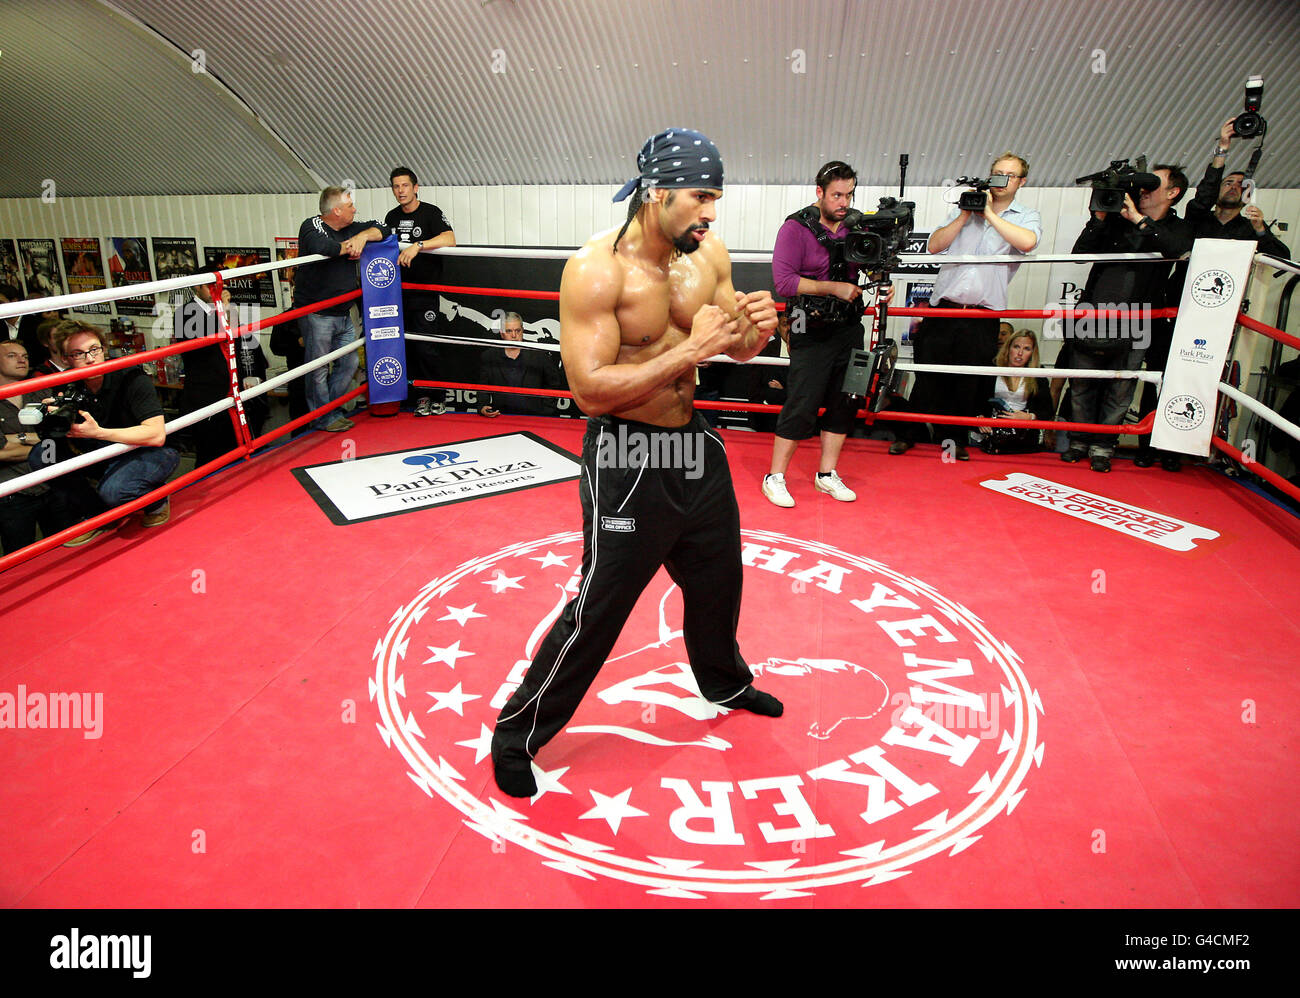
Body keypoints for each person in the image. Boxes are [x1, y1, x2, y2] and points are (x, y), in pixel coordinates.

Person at [491, 128, 782, 799]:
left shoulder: (708, 253)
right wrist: (691, 353)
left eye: (717, 195)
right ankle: (517, 732)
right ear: (657, 193)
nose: (712, 211)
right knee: (601, 606)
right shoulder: (598, 271)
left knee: (718, 580)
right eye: (701, 195)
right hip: (626, 452)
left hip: (694, 444)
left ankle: (725, 681)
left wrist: (756, 333)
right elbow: (588, 389)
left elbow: (732, 348)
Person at [891, 152, 1041, 460]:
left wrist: (989, 216)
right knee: (927, 375)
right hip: (943, 309)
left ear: (1021, 182)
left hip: (982, 315)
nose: (1000, 180)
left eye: (1008, 175)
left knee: (966, 381)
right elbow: (934, 245)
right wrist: (964, 215)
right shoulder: (963, 210)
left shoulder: (1025, 216)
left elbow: (1027, 243)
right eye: (996, 173)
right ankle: (909, 434)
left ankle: (954, 440)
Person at [762, 161, 879, 507]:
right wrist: (833, 288)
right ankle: (775, 476)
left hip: (847, 326)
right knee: (803, 400)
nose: (844, 202)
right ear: (820, 193)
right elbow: (784, 283)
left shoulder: (857, 226)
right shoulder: (795, 228)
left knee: (848, 399)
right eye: (837, 195)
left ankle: (826, 475)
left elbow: (868, 267)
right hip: (806, 324)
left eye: (849, 194)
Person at [1064, 165, 1193, 473]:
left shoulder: (1179, 227)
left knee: (1120, 390)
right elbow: (1080, 253)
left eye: (1152, 183)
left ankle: (1103, 446)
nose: (1144, 188)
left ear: (1173, 193)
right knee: (1081, 385)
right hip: (1093, 312)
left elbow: (1179, 250)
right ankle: (1079, 442)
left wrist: (1139, 219)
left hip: (1139, 318)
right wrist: (1100, 217)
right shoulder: (1115, 221)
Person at [30, 322, 179, 545]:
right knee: (42, 455)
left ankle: (155, 498)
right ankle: (100, 515)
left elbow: (156, 435)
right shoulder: (66, 385)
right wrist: (51, 422)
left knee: (115, 491)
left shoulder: (130, 376)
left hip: (149, 450)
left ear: (103, 348)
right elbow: (56, 436)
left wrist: (99, 432)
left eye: (94, 349)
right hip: (101, 452)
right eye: (78, 354)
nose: (90, 358)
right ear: (64, 359)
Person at [294, 186, 389, 431]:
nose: (354, 209)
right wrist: (351, 246)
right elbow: (323, 247)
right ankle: (322, 418)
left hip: (343, 312)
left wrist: (363, 236)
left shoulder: (350, 227)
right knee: (317, 369)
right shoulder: (311, 224)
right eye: (349, 206)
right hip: (317, 313)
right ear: (336, 210)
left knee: (348, 365)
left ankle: (331, 410)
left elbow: (383, 226)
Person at [174, 275, 270, 466]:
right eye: (212, 286)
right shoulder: (185, 312)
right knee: (209, 455)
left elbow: (239, 340)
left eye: (219, 286)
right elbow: (210, 339)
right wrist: (224, 309)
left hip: (229, 392)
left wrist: (248, 374)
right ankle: (206, 493)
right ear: (197, 288)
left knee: (233, 450)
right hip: (205, 395)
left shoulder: (223, 310)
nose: (217, 290)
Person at [384, 167, 456, 416]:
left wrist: (419, 245)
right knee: (408, 347)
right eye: (396, 186)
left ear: (415, 188)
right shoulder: (391, 217)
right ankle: (421, 396)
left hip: (425, 294)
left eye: (405, 185)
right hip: (397, 293)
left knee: (427, 347)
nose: (400, 191)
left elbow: (450, 239)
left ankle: (438, 396)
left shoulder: (431, 213)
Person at [1184, 118, 1290, 259]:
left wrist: (1260, 230)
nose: (1234, 186)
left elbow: (1282, 257)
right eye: (1228, 183)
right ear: (1217, 190)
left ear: (1247, 195)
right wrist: (1223, 147)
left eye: (1241, 184)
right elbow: (1207, 190)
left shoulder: (1250, 227)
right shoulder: (1197, 217)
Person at [0, 340, 66, 552]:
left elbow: (62, 436)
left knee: (66, 548)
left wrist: (14, 438)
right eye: (12, 355)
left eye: (25, 356)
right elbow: (1, 452)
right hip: (12, 494)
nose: (22, 360)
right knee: (19, 558)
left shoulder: (41, 392)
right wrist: (41, 440)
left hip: (52, 486)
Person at [974, 330, 1054, 454]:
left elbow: (1048, 410)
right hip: (990, 434)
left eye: (1026, 349)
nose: (1020, 353)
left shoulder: (1038, 373)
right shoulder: (992, 368)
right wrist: (979, 417)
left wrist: (1029, 417)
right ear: (1008, 348)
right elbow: (975, 399)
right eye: (1016, 347)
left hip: (1023, 437)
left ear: (1032, 353)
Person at [476, 312, 562, 417]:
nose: (514, 335)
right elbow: (483, 386)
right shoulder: (489, 356)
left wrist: (546, 411)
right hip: (500, 416)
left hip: (534, 417)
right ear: (501, 333)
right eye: (509, 331)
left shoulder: (540, 354)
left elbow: (553, 384)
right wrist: (482, 406)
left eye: (517, 330)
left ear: (523, 330)